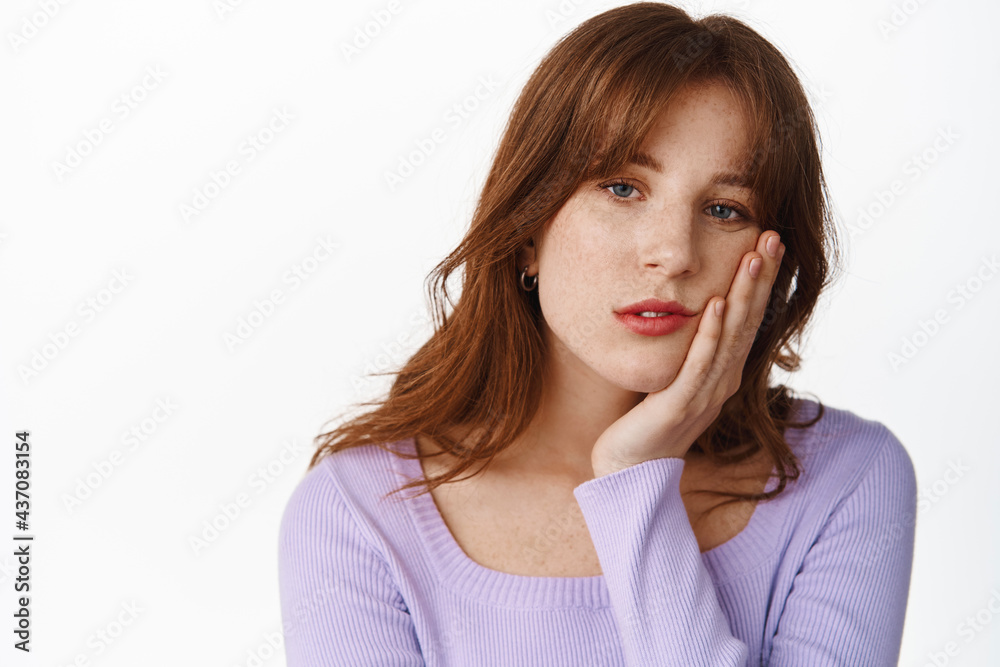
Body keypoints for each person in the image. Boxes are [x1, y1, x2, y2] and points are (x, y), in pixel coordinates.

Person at [277, 2, 918, 664]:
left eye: (724, 209)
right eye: (621, 188)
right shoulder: (359, 514)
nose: (672, 252)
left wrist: (636, 478)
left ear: (773, 253)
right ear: (528, 230)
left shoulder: (849, 477)